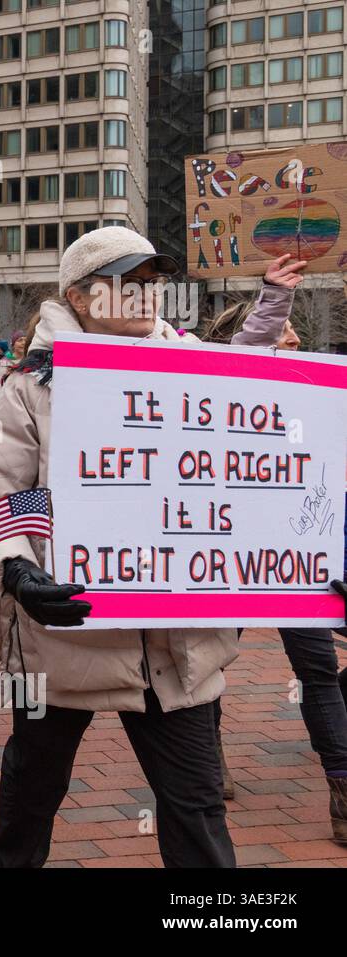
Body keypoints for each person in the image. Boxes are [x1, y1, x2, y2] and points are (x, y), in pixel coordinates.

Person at [0, 226, 240, 867]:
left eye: (152, 282)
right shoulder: (32, 388)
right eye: (127, 282)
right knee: (30, 802)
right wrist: (18, 572)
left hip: (177, 650)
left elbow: (253, 483)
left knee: (198, 816)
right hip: (65, 635)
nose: (146, 295)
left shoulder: (206, 376)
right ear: (80, 297)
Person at [205, 253, 347, 843]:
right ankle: (208, 760)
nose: (290, 343)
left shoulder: (320, 401)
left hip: (297, 557)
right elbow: (248, 350)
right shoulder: (225, 389)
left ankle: (342, 786)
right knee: (207, 662)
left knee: (316, 670)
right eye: (280, 334)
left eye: (293, 336)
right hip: (232, 551)